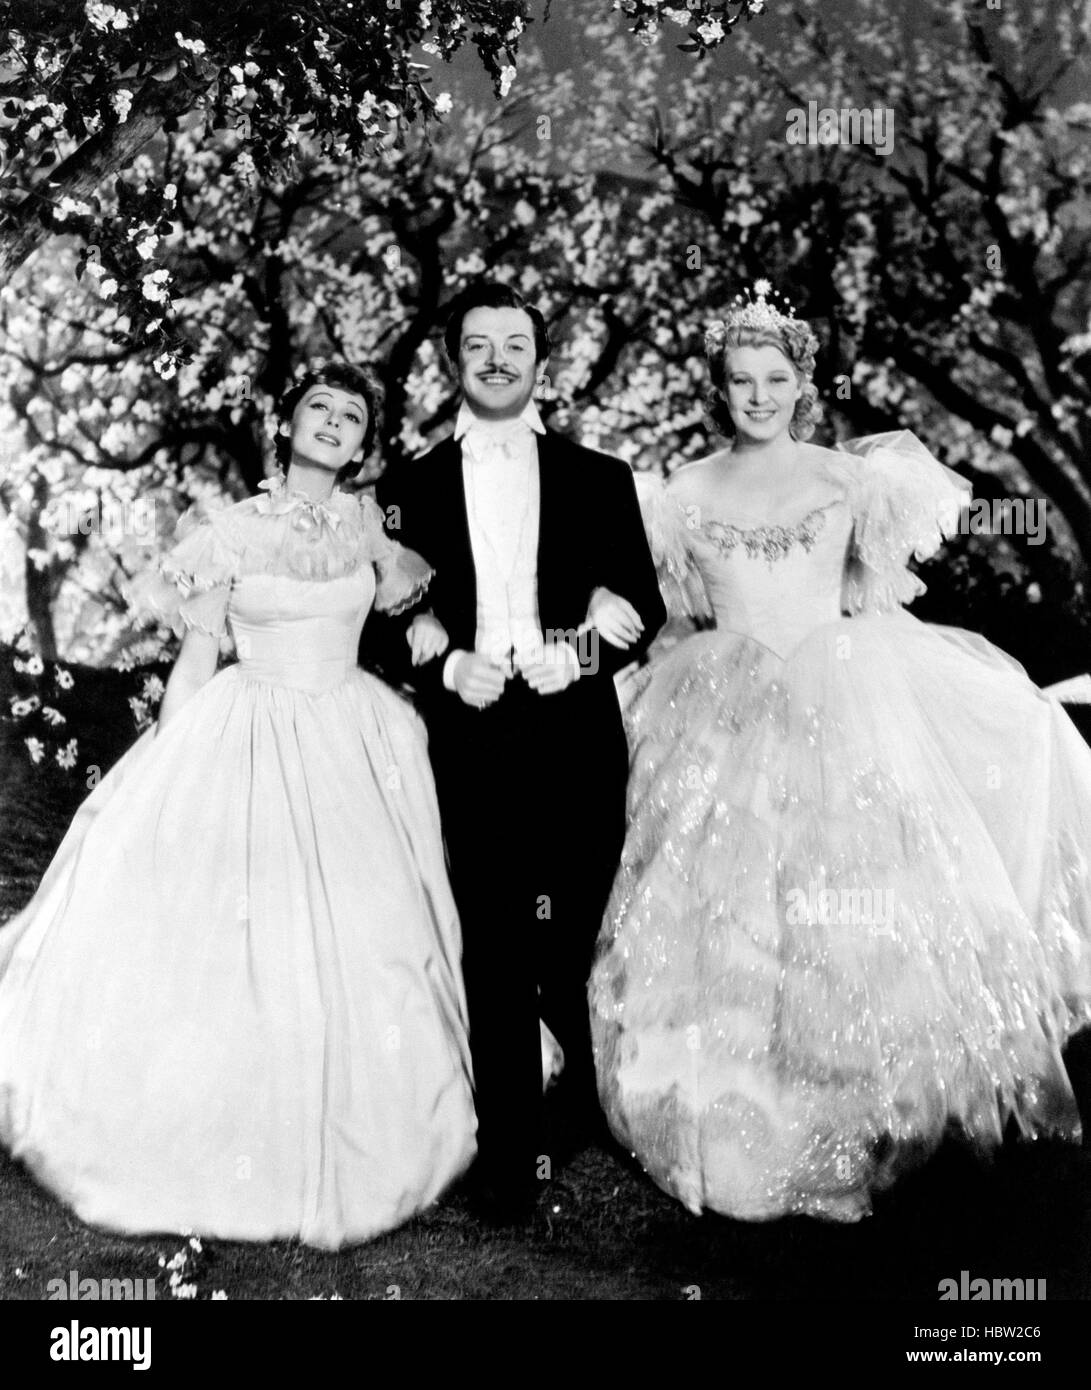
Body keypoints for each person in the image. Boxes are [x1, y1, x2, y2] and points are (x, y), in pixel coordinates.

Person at [586, 282, 1091, 1222]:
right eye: (740, 379)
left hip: (842, 695)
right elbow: (684, 613)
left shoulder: (851, 479)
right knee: (729, 912)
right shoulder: (678, 494)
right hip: (723, 707)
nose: (757, 394)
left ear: (800, 383)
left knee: (850, 910)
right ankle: (739, 1113)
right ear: (719, 387)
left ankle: (858, 1104)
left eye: (773, 377)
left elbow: (871, 596)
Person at [0, 362, 476, 1248]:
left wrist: (429, 632)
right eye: (317, 408)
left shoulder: (369, 523)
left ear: (364, 443)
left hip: (350, 735)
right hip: (248, 724)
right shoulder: (227, 531)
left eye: (350, 416)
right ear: (285, 424)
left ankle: (372, 1109)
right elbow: (197, 657)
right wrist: (169, 773)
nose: (333, 422)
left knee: (366, 931)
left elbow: (409, 614)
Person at [367, 282, 666, 1219]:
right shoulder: (400, 493)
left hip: (573, 729)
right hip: (470, 731)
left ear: (542, 362)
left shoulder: (600, 476)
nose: (497, 358)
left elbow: (642, 611)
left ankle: (585, 1103)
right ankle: (511, 1158)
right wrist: (445, 665)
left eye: (516, 342)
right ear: (452, 361)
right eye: (478, 343)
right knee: (493, 939)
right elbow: (373, 628)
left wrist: (575, 655)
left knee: (576, 924)